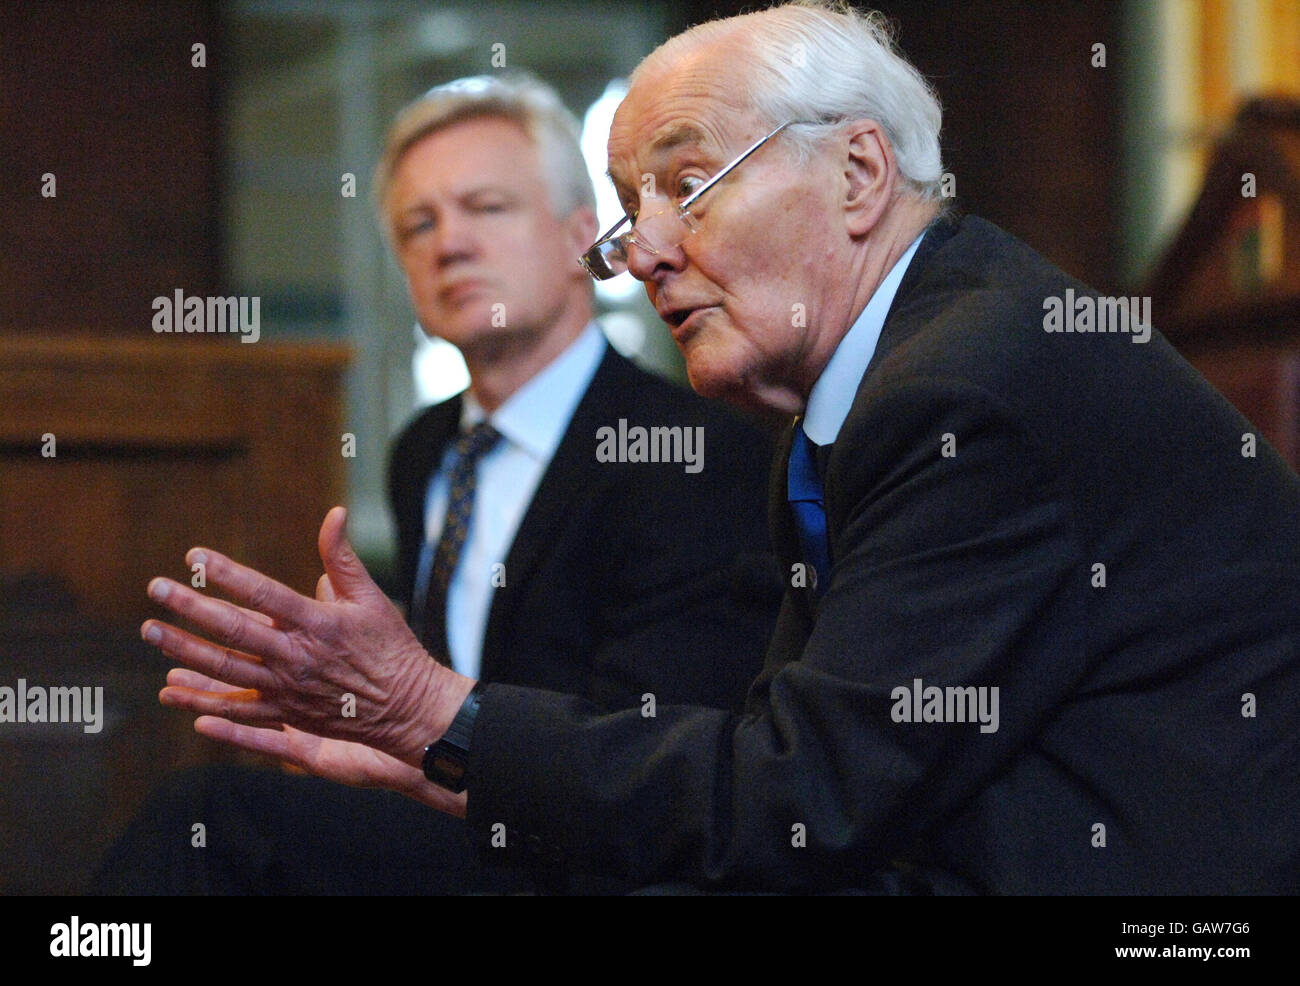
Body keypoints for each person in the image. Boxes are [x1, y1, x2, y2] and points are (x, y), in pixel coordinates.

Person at [141, 1, 1300, 894]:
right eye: (631, 208)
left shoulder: (964, 387)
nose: (642, 252)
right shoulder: (895, 372)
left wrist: (442, 718)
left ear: (857, 173)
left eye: (688, 186)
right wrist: (457, 760)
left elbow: (799, 795)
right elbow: (793, 778)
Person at [98, 74, 779, 894]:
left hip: (595, 848)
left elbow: (662, 754)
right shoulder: (423, 450)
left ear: (583, 234)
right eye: (419, 224)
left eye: (486, 208)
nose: (448, 243)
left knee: (207, 820)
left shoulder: (691, 451)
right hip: (448, 827)